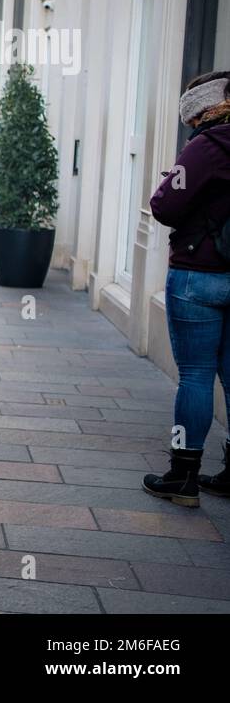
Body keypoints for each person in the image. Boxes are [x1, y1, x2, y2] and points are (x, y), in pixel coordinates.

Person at [144, 72, 230, 506]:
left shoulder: (207, 146)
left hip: (199, 274)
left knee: (196, 376)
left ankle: (183, 476)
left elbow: (165, 205)